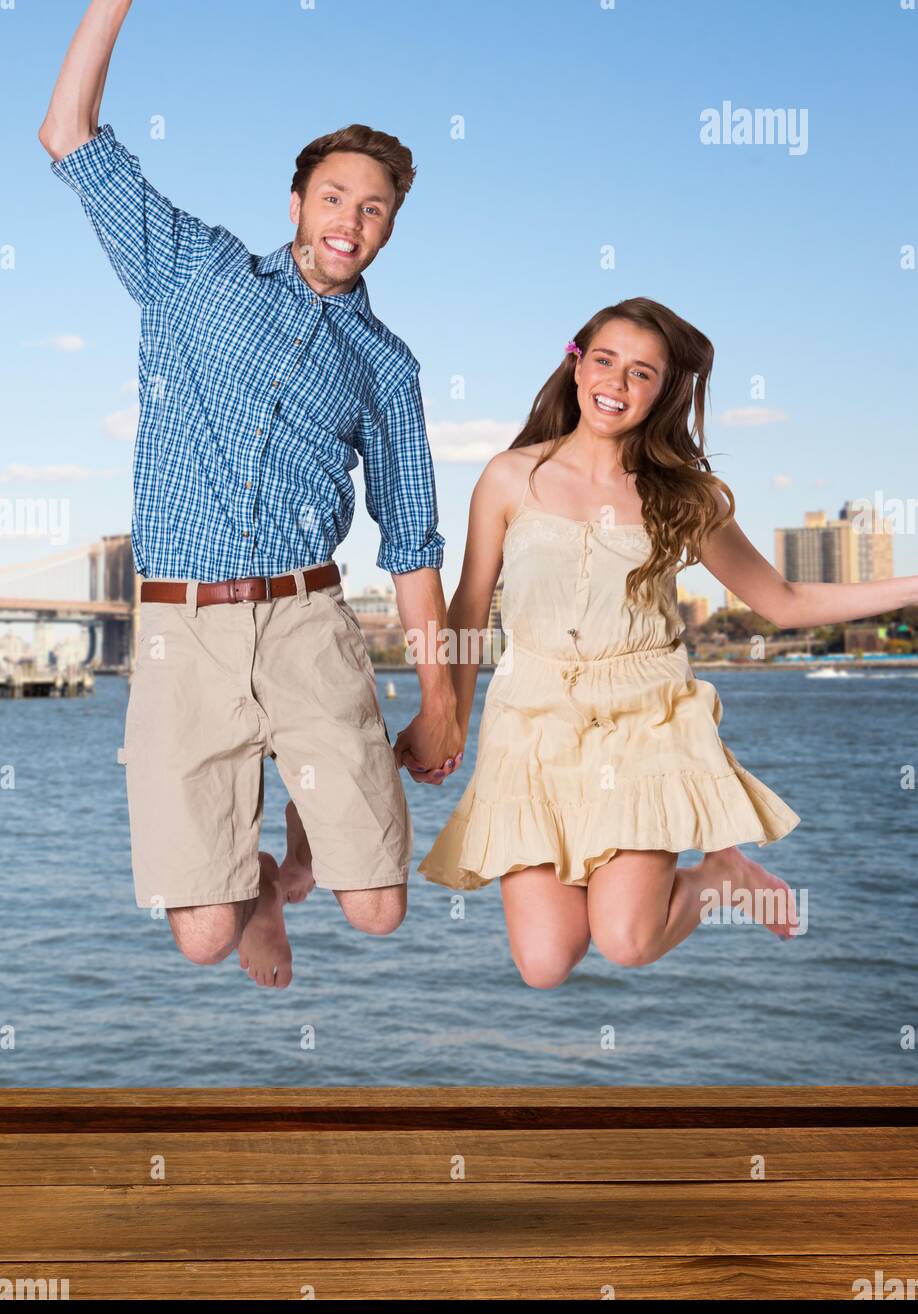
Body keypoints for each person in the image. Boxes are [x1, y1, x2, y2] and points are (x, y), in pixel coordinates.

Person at [39, 0, 461, 989]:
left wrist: (442, 698)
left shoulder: (387, 367)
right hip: (185, 633)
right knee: (203, 939)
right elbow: (69, 134)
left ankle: (308, 842)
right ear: (295, 202)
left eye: (373, 208)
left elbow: (413, 542)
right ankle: (265, 881)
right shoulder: (194, 269)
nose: (349, 222)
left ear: (392, 226)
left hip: (312, 626)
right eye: (334, 197)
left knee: (380, 910)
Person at [419, 297, 918, 987]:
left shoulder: (684, 496)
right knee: (544, 963)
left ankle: (720, 873)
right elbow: (470, 609)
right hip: (529, 725)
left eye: (641, 373)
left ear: (664, 392)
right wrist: (444, 718)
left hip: (644, 724)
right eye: (605, 361)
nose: (616, 384)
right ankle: (715, 871)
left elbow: (785, 601)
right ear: (575, 365)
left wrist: (911, 585)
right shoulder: (512, 475)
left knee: (626, 941)